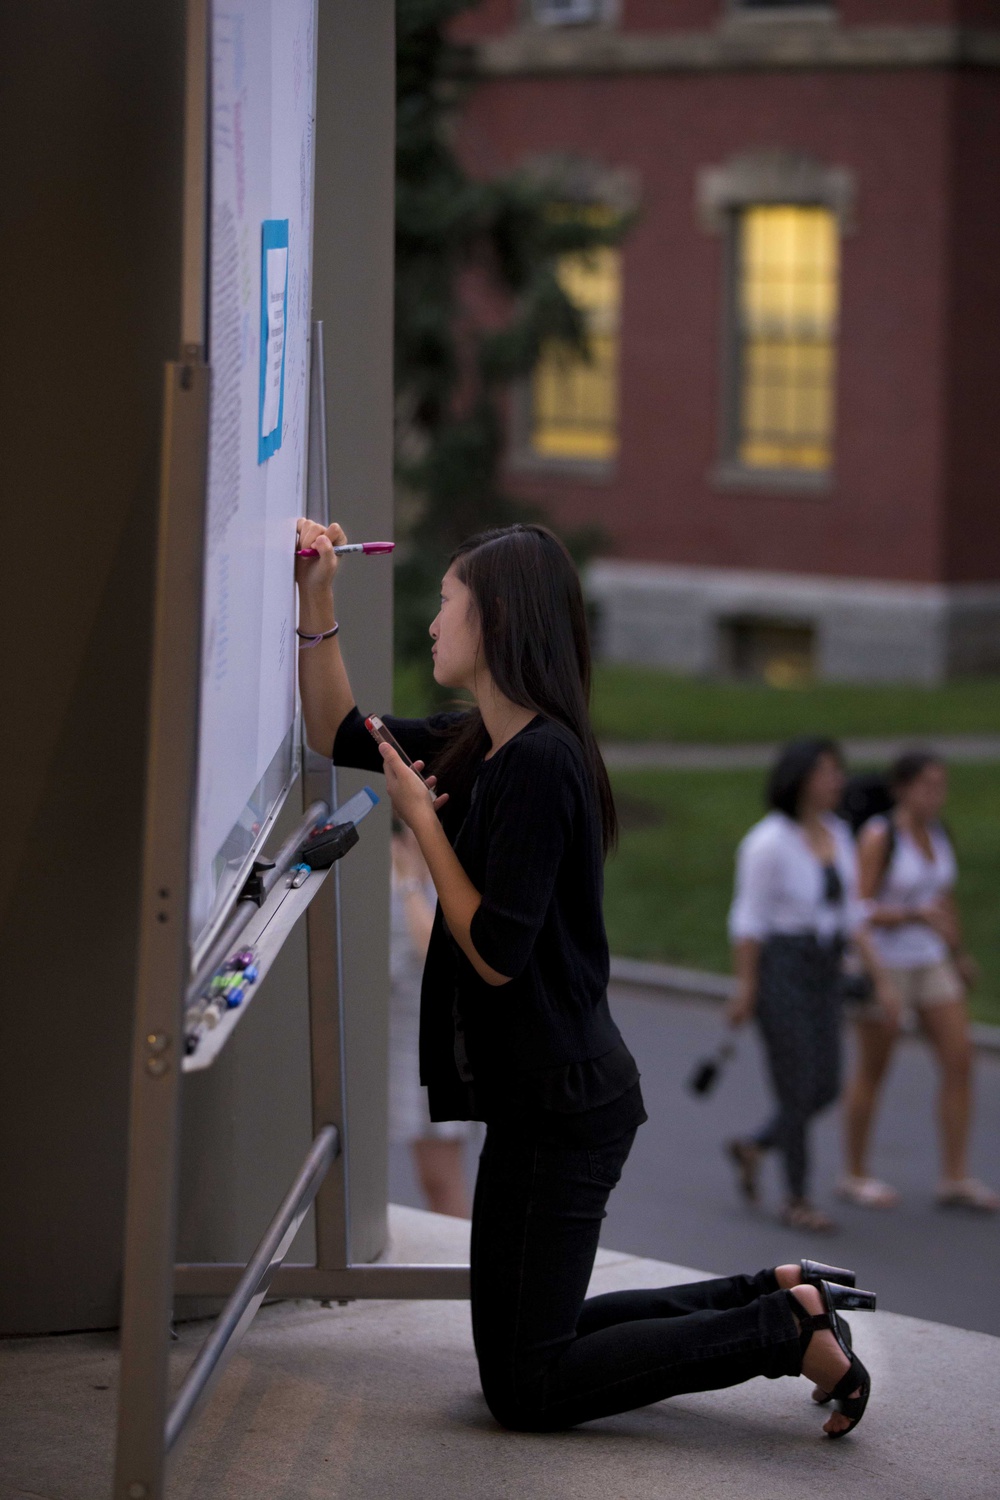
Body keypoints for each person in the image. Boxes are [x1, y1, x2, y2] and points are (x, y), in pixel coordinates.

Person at [295, 518, 874, 1438]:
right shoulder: (481, 739)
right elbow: (336, 734)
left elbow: (493, 948)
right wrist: (314, 596)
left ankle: (777, 1332)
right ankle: (776, 1299)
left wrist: (420, 825)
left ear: (497, 625)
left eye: (448, 605)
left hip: (568, 1108)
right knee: (532, 1347)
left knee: (528, 1389)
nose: (434, 623)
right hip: (541, 1098)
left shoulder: (541, 764)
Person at [725, 739, 897, 1233]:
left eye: (838, 772)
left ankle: (756, 1145)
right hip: (782, 967)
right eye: (826, 772)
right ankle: (797, 1197)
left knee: (825, 1085)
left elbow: (853, 917)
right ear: (799, 778)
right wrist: (746, 988)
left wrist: (878, 978)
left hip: (825, 971)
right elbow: (748, 921)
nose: (837, 780)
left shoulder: (840, 834)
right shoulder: (768, 842)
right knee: (797, 1086)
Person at [841, 751, 999, 1212]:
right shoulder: (880, 836)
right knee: (875, 1067)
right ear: (902, 788)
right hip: (884, 963)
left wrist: (958, 952)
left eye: (941, 785)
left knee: (960, 1059)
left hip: (930, 960)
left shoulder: (938, 834)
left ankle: (955, 1175)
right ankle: (854, 1171)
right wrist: (911, 914)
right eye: (928, 785)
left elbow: (942, 899)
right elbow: (859, 910)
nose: (937, 794)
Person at [390, 824, 474, 1216]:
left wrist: (408, 883)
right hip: (390, 1035)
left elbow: (438, 953)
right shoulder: (386, 863)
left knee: (440, 1181)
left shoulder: (450, 870)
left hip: (430, 1044)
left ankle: (462, 1272)